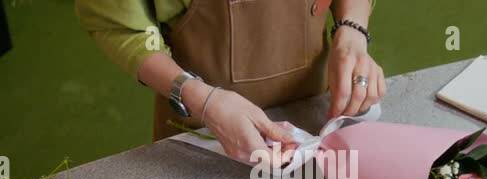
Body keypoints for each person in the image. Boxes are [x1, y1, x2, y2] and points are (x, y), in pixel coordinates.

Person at [75, 0, 386, 166]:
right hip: (204, 133)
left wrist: (352, 32)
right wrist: (201, 98)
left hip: (313, 108)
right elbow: (120, 27)